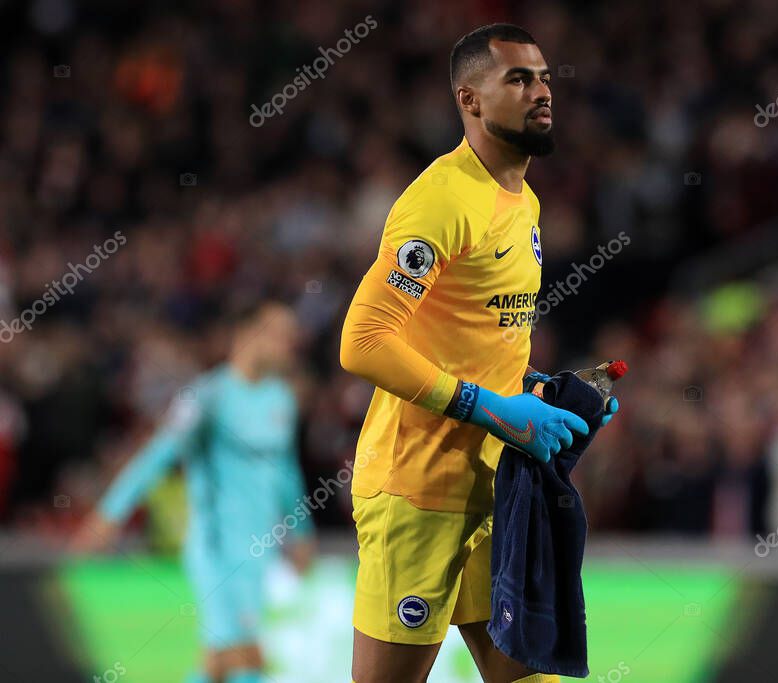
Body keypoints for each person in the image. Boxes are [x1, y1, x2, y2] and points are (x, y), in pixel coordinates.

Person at [340, 23, 616, 683]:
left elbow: (477, 336)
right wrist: (488, 405)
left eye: (544, 76)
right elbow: (364, 341)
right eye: (519, 79)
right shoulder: (440, 201)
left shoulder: (524, 202)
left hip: (498, 486)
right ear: (470, 100)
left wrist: (540, 390)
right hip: (418, 488)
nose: (542, 91)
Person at [73, 302, 315, 683]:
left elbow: (285, 470)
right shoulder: (206, 397)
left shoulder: (280, 400)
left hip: (260, 550)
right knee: (244, 659)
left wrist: (301, 531)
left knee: (220, 662)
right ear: (248, 335)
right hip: (216, 547)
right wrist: (110, 514)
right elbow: (158, 454)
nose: (291, 344)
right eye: (280, 334)